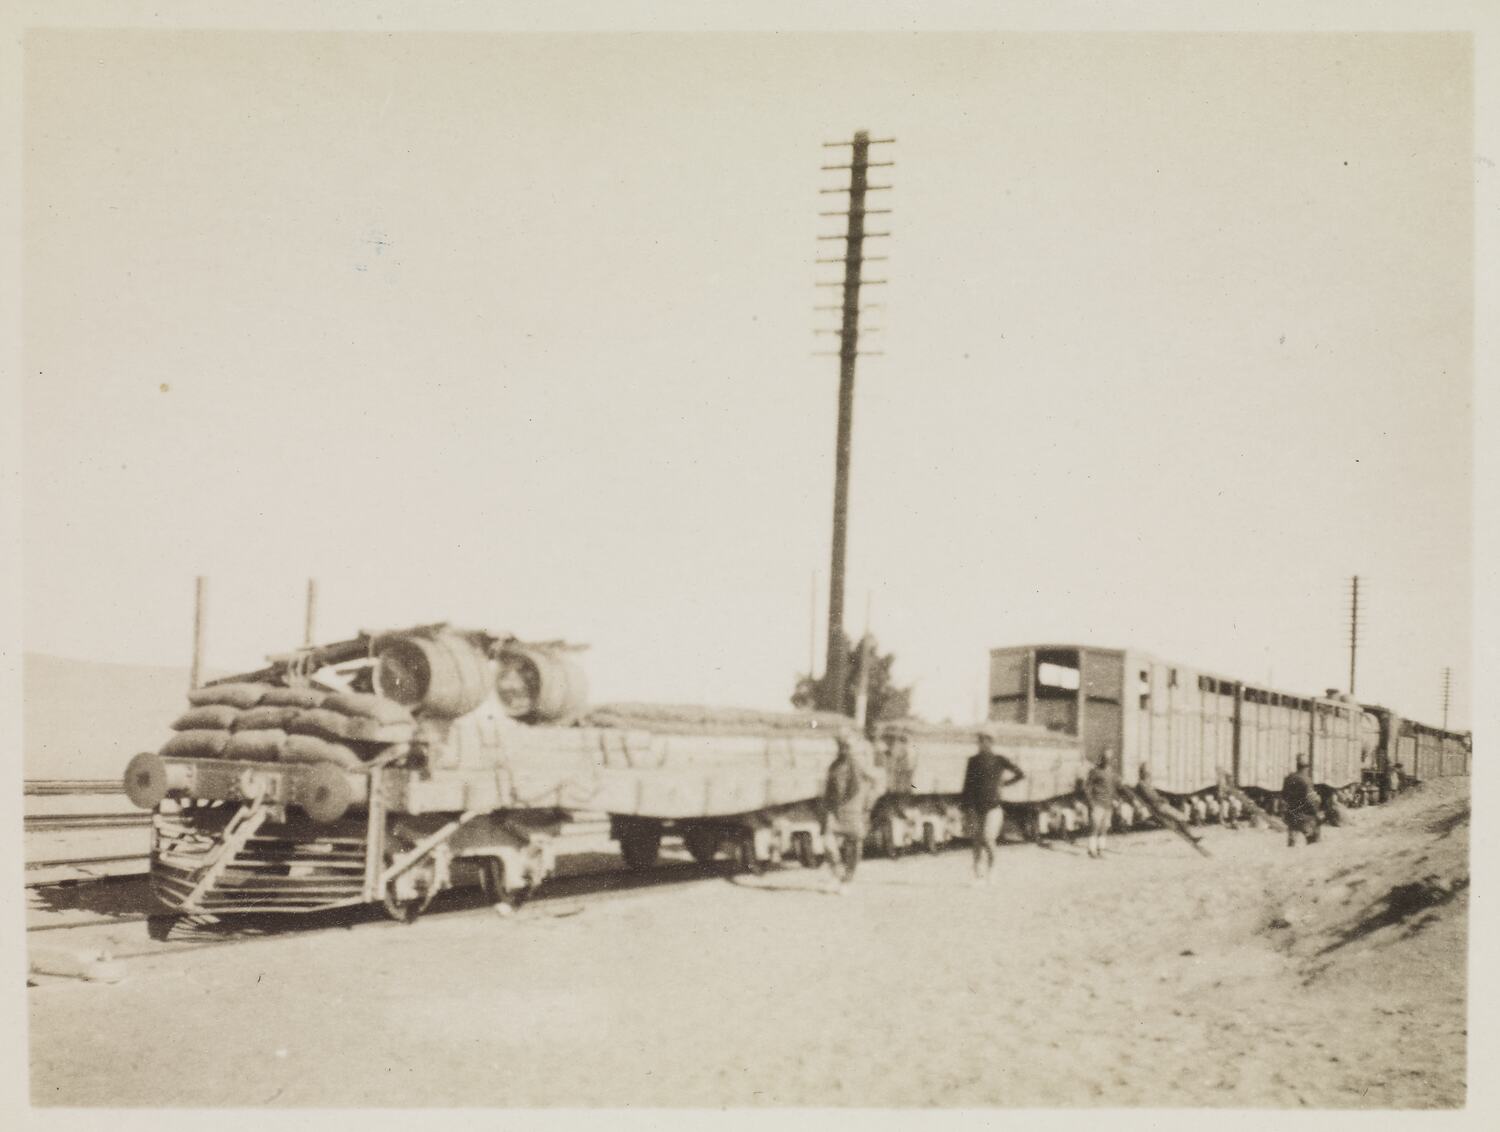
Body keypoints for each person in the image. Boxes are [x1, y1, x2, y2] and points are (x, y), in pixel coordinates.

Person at [961, 727, 1025, 885]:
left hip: (993, 807)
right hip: (976, 807)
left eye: (983, 740)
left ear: (990, 742)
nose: (979, 743)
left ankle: (993, 870)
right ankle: (978, 876)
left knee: (988, 839)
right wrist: (966, 808)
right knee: (976, 841)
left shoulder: (999, 759)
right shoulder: (972, 761)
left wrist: (1004, 783)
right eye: (979, 740)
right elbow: (967, 786)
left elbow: (1020, 774)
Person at [822, 731, 878, 894]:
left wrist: (868, 804)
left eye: (846, 746)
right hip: (835, 810)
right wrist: (826, 806)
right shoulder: (834, 765)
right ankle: (836, 874)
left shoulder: (858, 765)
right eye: (840, 745)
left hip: (854, 809)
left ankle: (847, 880)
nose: (843, 749)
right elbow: (828, 788)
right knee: (827, 842)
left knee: (854, 847)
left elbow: (875, 782)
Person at [1082, 749, 1120, 859]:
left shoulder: (1111, 772)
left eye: (1109, 759)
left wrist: (1115, 799)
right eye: (1105, 758)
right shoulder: (1095, 771)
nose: (1107, 761)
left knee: (1104, 828)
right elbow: (1087, 788)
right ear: (1102, 759)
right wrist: (1091, 803)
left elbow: (1113, 788)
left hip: (1108, 805)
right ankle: (1091, 850)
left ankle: (1101, 850)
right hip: (1097, 804)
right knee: (1095, 827)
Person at [1281, 755, 1321, 847]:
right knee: (1314, 839)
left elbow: (1284, 796)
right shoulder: (1307, 780)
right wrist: (1316, 812)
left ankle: (1292, 843)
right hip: (1304, 818)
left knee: (1292, 844)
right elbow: (1312, 801)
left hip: (1290, 816)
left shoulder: (1288, 778)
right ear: (1306, 767)